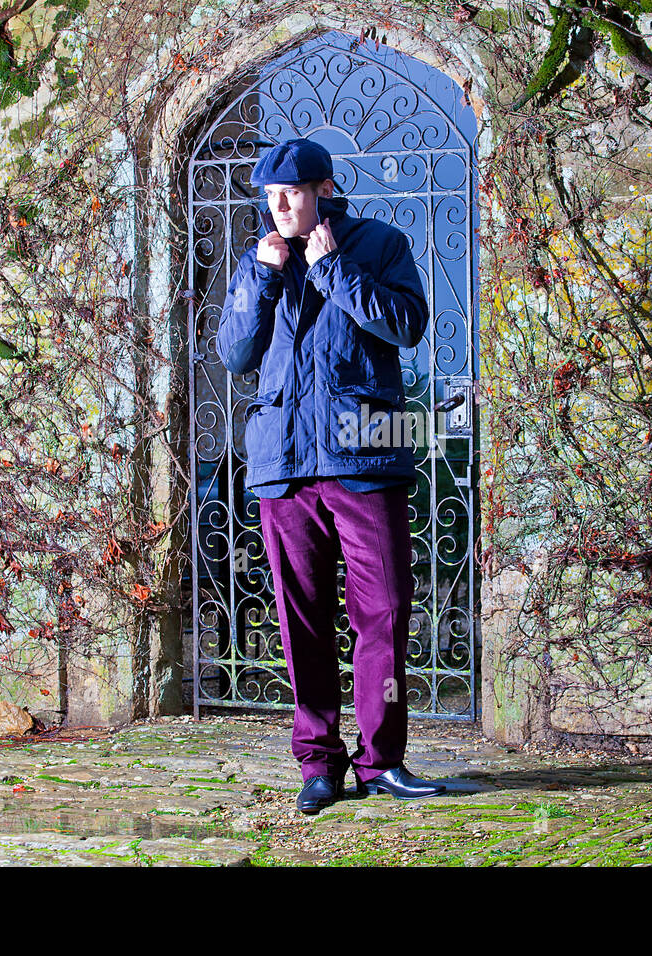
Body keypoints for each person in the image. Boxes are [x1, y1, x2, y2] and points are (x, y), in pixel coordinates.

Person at [216, 137, 447, 814]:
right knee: (301, 620)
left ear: (323, 188)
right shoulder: (261, 259)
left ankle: (383, 763)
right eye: (268, 196)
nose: (278, 206)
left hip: (365, 459)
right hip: (283, 467)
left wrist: (334, 271)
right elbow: (234, 354)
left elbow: (408, 325)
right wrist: (261, 278)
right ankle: (319, 766)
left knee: (385, 613)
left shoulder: (377, 244)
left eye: (289, 192)